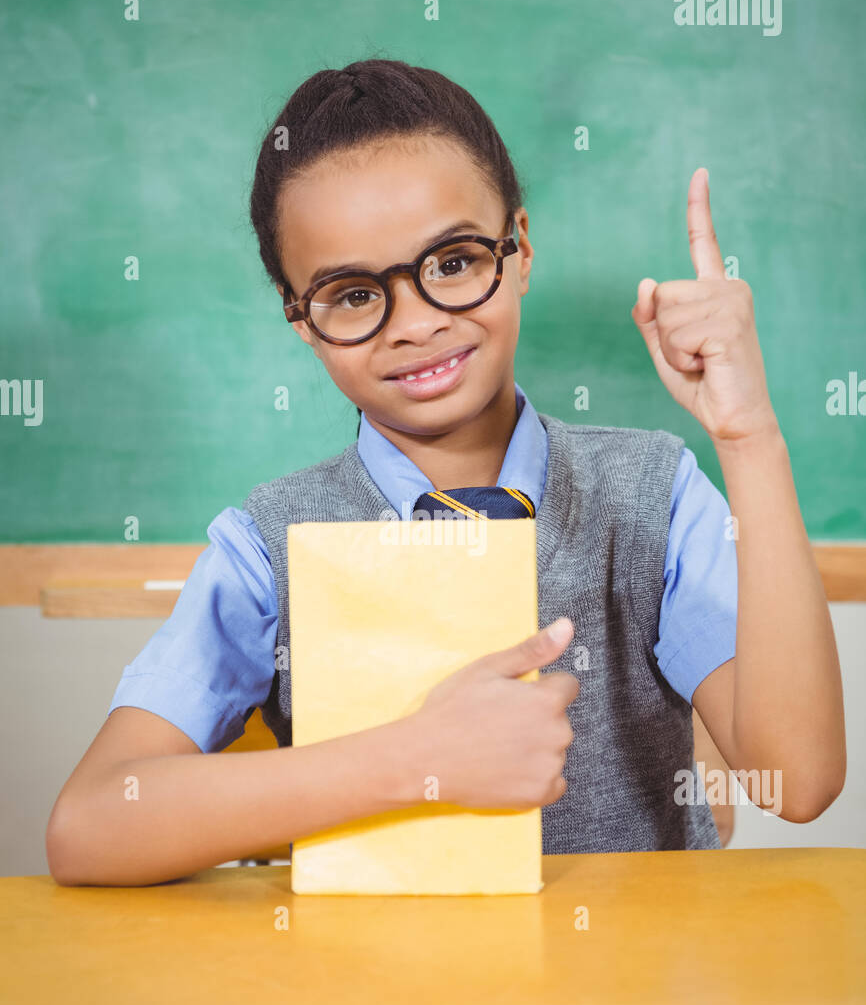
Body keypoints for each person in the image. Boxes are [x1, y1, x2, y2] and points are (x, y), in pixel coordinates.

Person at [46, 59, 845, 886]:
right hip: (377, 1003)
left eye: (455, 263)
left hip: (627, 1003)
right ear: (300, 321)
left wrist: (749, 435)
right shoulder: (268, 544)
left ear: (520, 249)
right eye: (353, 295)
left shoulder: (653, 492)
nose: (419, 322)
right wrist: (416, 756)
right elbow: (92, 824)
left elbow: (800, 780)